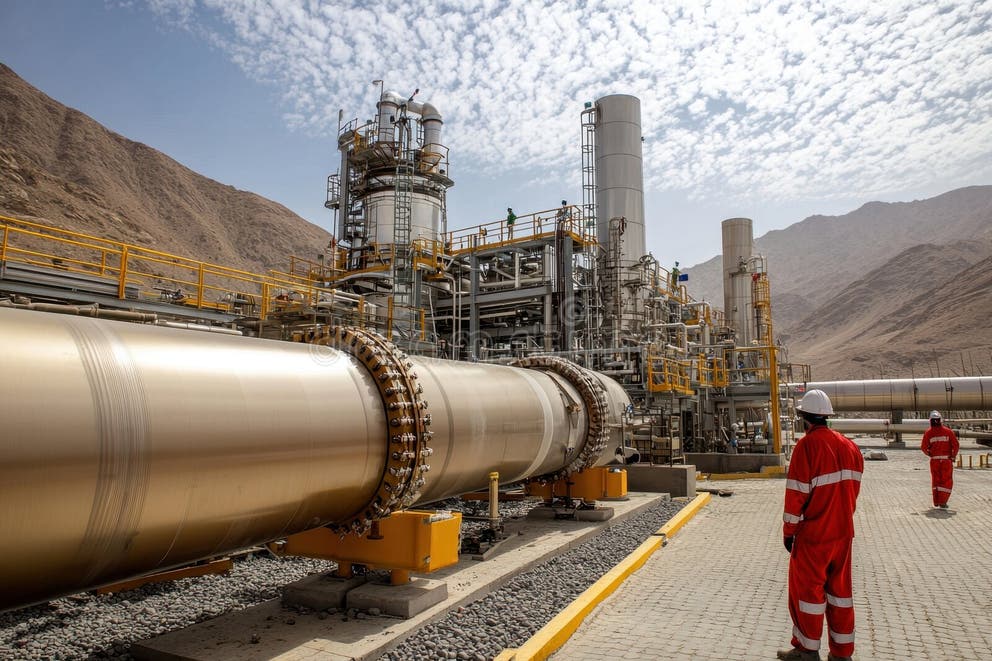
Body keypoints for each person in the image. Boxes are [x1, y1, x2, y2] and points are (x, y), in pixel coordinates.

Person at [779, 389, 863, 661]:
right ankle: (841, 653)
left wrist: (789, 532)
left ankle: (806, 650)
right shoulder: (850, 446)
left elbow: (796, 495)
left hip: (815, 535)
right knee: (840, 595)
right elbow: (853, 490)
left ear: (803, 417)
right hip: (843, 534)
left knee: (809, 594)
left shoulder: (807, 446)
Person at [921, 410, 959, 508]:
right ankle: (943, 502)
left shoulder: (928, 432)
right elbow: (956, 445)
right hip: (946, 460)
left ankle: (937, 501)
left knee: (936, 480)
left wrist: (930, 454)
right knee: (946, 480)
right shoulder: (948, 431)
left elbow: (923, 447)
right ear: (940, 420)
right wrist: (953, 456)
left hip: (934, 461)